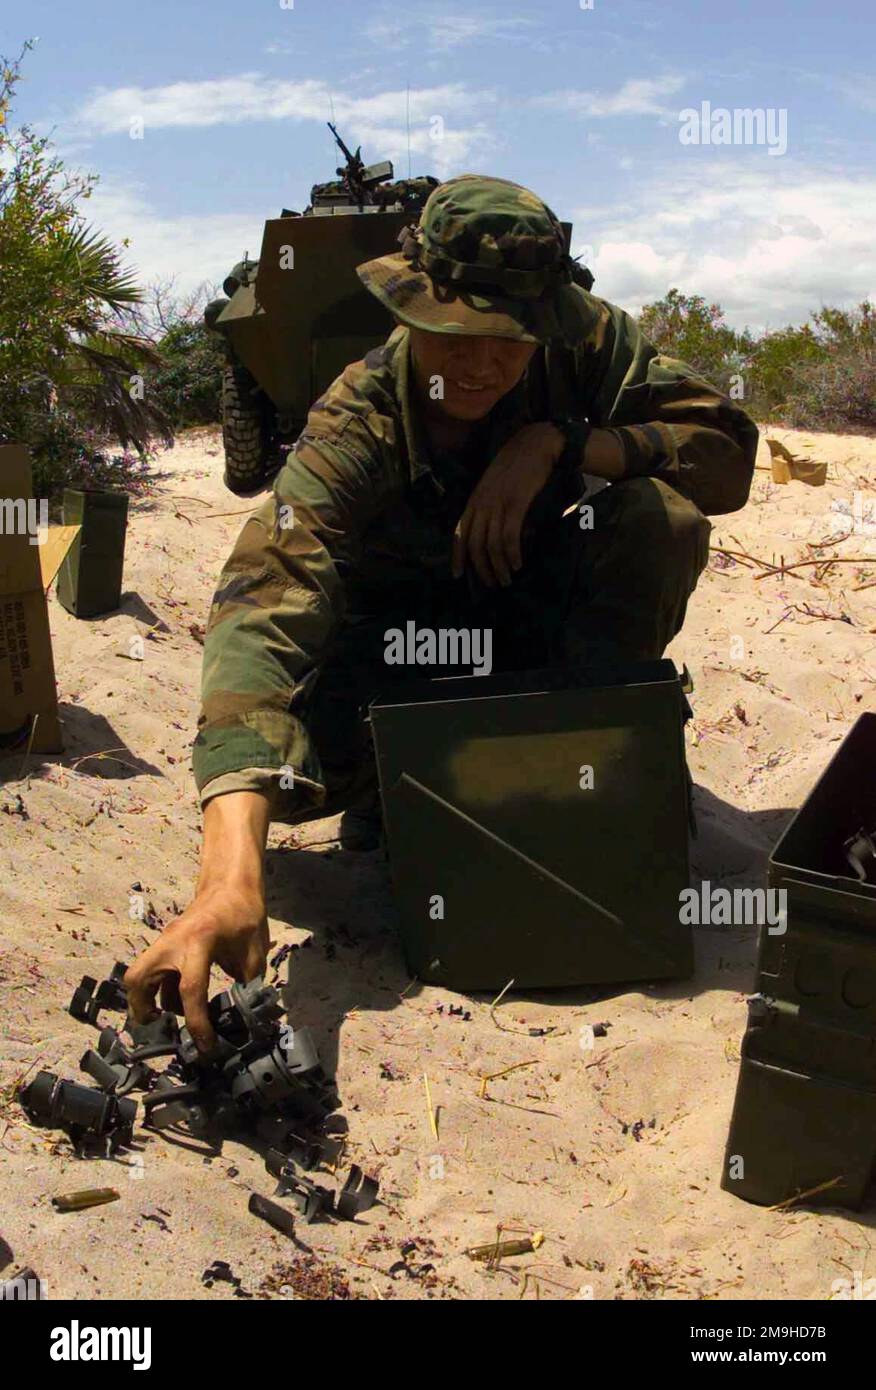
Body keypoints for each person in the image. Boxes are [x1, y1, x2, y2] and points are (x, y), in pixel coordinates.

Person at [125, 175, 759, 1050]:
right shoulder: (361, 415)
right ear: (413, 309)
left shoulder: (587, 342)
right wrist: (229, 878)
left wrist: (567, 443)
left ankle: (592, 775)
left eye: (510, 339)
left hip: (536, 640)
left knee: (661, 519)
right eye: (454, 333)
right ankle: (401, 783)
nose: (481, 364)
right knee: (300, 755)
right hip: (395, 670)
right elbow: (267, 596)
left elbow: (726, 455)